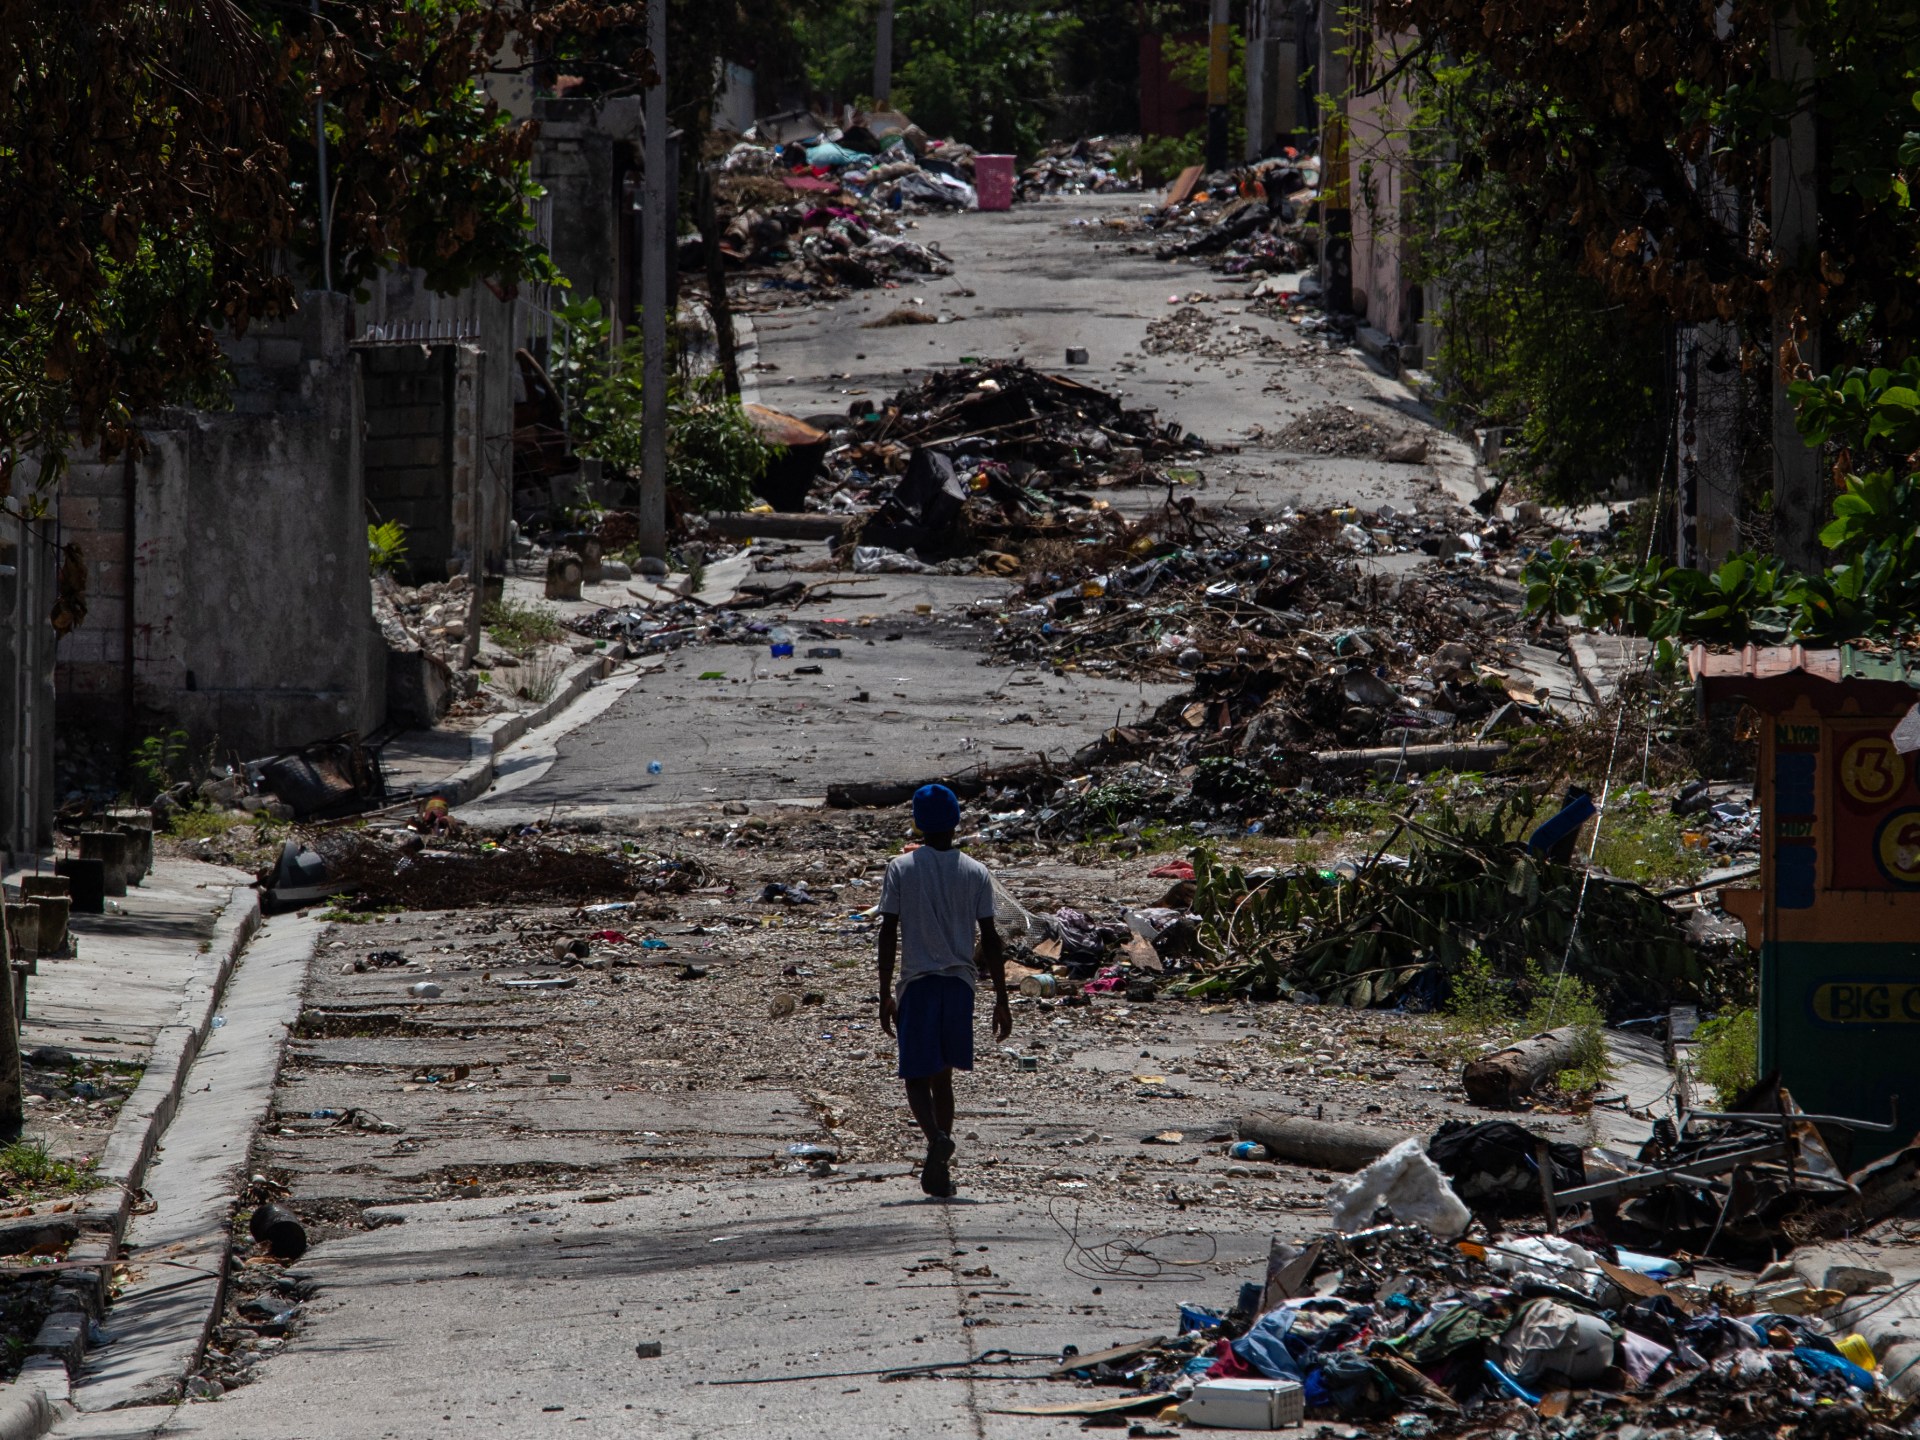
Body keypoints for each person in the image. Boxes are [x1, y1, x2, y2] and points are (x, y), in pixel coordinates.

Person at [877, 783, 1010, 1198]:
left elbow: (888, 932)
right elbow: (991, 940)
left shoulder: (901, 868)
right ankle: (940, 1168)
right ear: (957, 821)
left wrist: (884, 992)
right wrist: (1002, 998)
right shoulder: (975, 871)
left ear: (918, 823)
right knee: (943, 1080)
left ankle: (936, 1139)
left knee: (916, 1078)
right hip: (959, 986)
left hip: (918, 983)